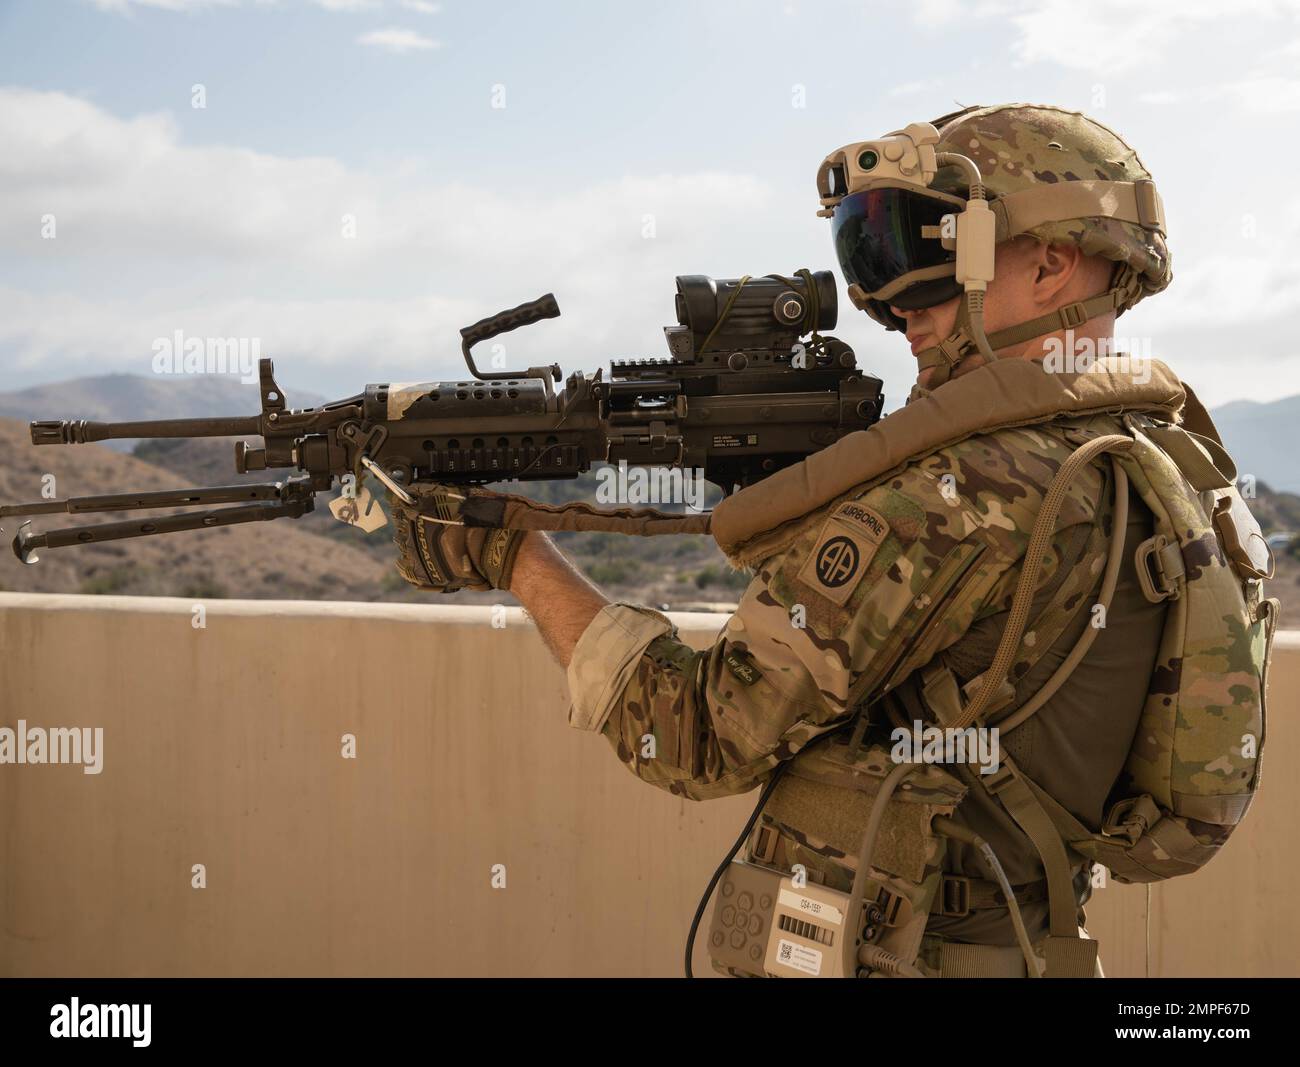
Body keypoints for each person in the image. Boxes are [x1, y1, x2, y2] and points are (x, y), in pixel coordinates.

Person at [392, 105, 1271, 978]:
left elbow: (699, 733)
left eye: (927, 255)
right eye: (872, 256)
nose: (891, 303)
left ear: (1051, 265)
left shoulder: (960, 495)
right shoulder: (1162, 456)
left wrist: (513, 556)